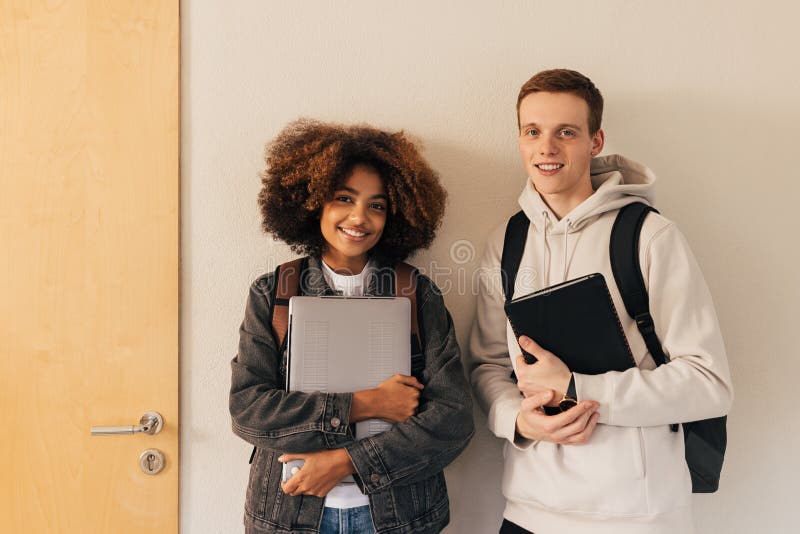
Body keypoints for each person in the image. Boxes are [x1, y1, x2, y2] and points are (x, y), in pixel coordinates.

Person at [468, 69, 733, 534]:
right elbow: (487, 366)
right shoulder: (506, 241)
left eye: (565, 132)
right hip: (528, 511)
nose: (546, 148)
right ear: (520, 140)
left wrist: (579, 388)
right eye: (533, 131)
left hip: (637, 516)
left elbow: (709, 383)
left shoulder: (649, 236)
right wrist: (519, 421)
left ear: (595, 141)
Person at [230, 119, 474, 534]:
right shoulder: (273, 293)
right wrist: (365, 404)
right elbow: (249, 411)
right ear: (314, 202)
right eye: (344, 198)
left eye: (377, 205)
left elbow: (453, 419)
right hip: (291, 515)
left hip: (399, 515)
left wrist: (348, 462)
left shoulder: (418, 293)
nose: (359, 217)